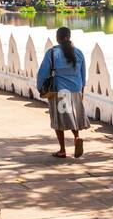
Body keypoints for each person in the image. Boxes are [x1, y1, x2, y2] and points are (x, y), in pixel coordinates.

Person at [36, 27, 89, 158]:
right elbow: (83, 74)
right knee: (73, 117)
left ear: (57, 38)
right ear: (69, 37)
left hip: (59, 91)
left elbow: (43, 72)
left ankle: (62, 150)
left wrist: (40, 87)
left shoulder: (52, 53)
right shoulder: (79, 53)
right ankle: (77, 138)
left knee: (59, 120)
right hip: (76, 90)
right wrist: (81, 91)